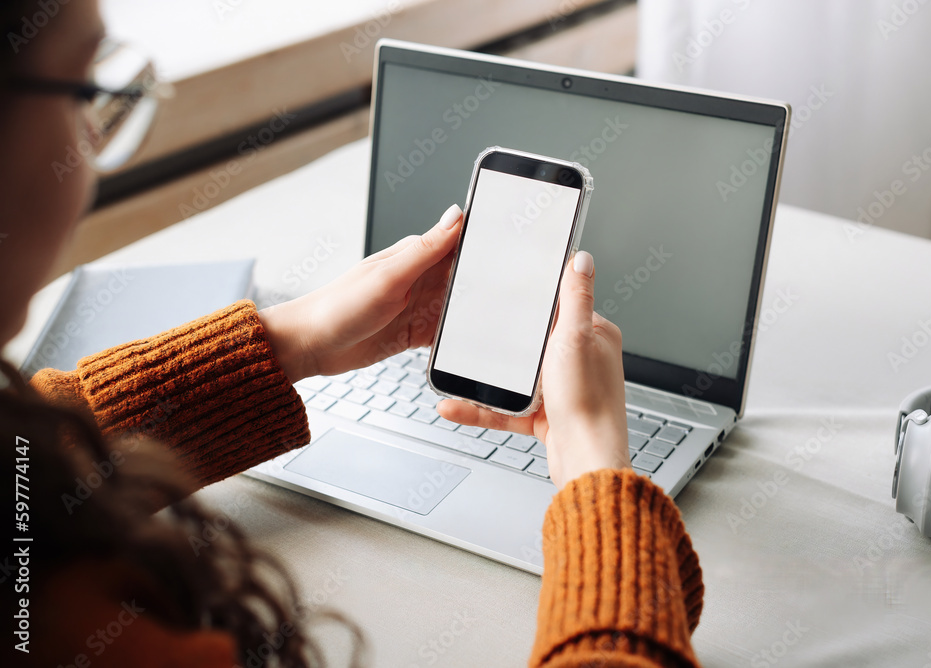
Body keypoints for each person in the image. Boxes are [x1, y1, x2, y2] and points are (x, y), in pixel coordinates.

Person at [0, 0, 704, 666]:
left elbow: (30, 469)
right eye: (85, 90)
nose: (88, 140)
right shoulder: (76, 634)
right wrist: (597, 473)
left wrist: (295, 339)